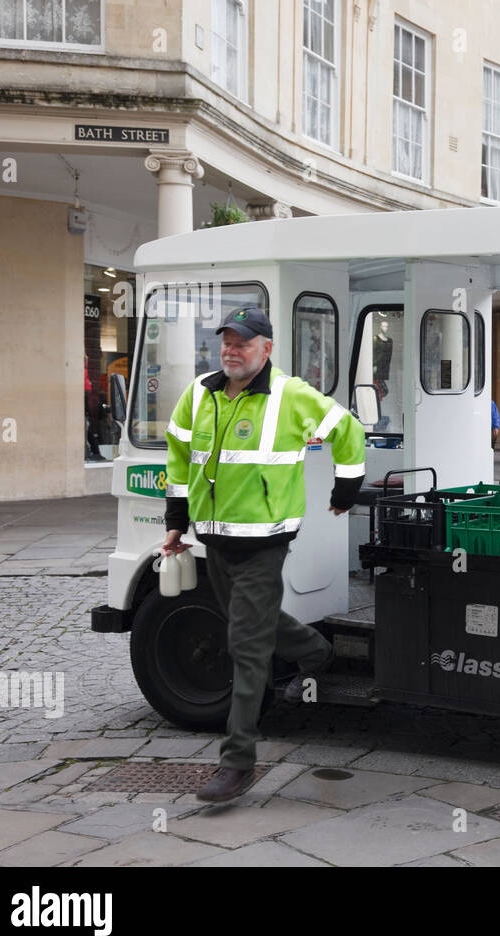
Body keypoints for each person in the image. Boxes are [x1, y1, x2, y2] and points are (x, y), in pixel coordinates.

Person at [160, 306, 367, 803]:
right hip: (215, 541)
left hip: (264, 543)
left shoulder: (290, 394)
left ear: (266, 349)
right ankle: (316, 651)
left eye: (244, 342)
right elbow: (178, 456)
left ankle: (237, 762)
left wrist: (345, 491)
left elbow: (348, 431)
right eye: (227, 341)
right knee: (251, 621)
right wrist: (174, 524)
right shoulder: (199, 394)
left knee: (245, 644)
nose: (232, 350)